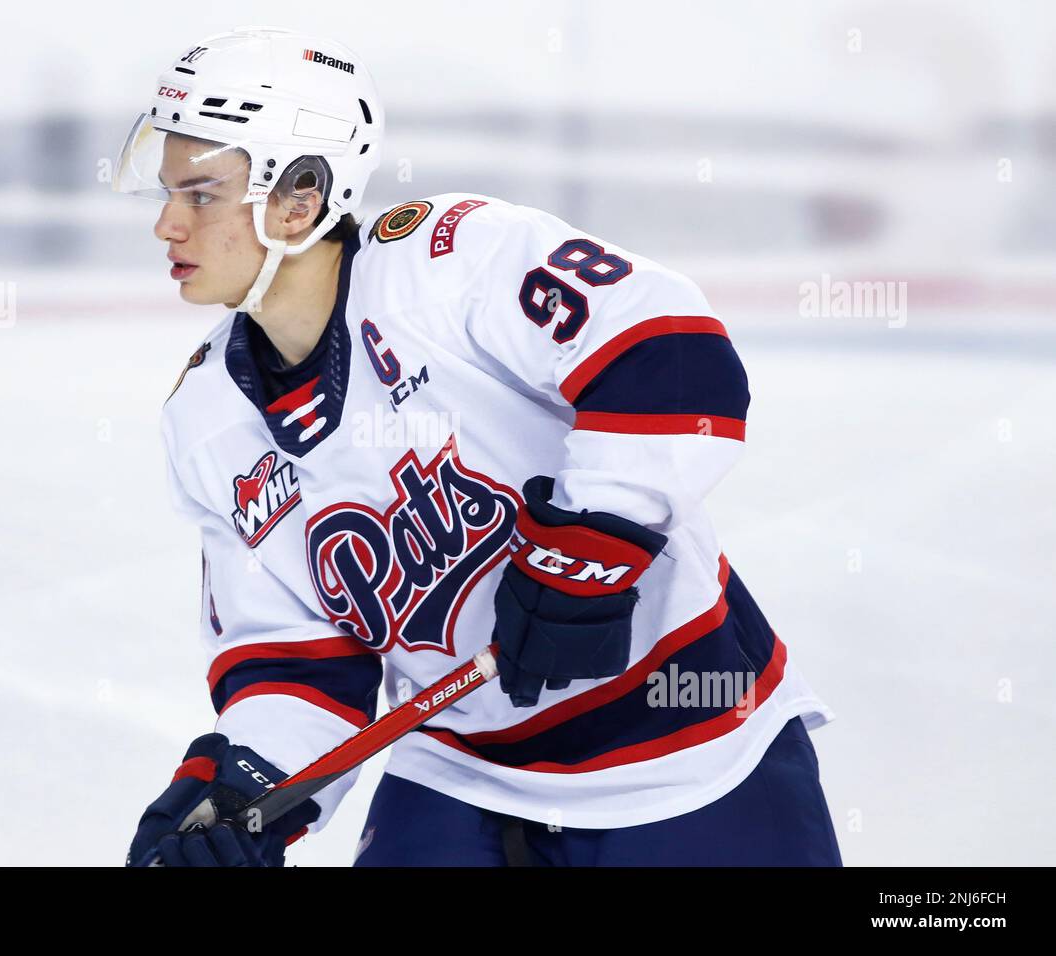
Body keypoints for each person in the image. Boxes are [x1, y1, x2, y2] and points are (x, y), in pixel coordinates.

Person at [117, 26, 842, 867]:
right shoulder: (206, 419)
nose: (167, 224)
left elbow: (672, 355)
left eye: (200, 195)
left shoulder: (454, 255)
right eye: (169, 193)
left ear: (298, 197)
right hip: (463, 774)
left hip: (699, 748)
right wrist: (244, 791)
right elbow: (297, 666)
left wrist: (592, 545)